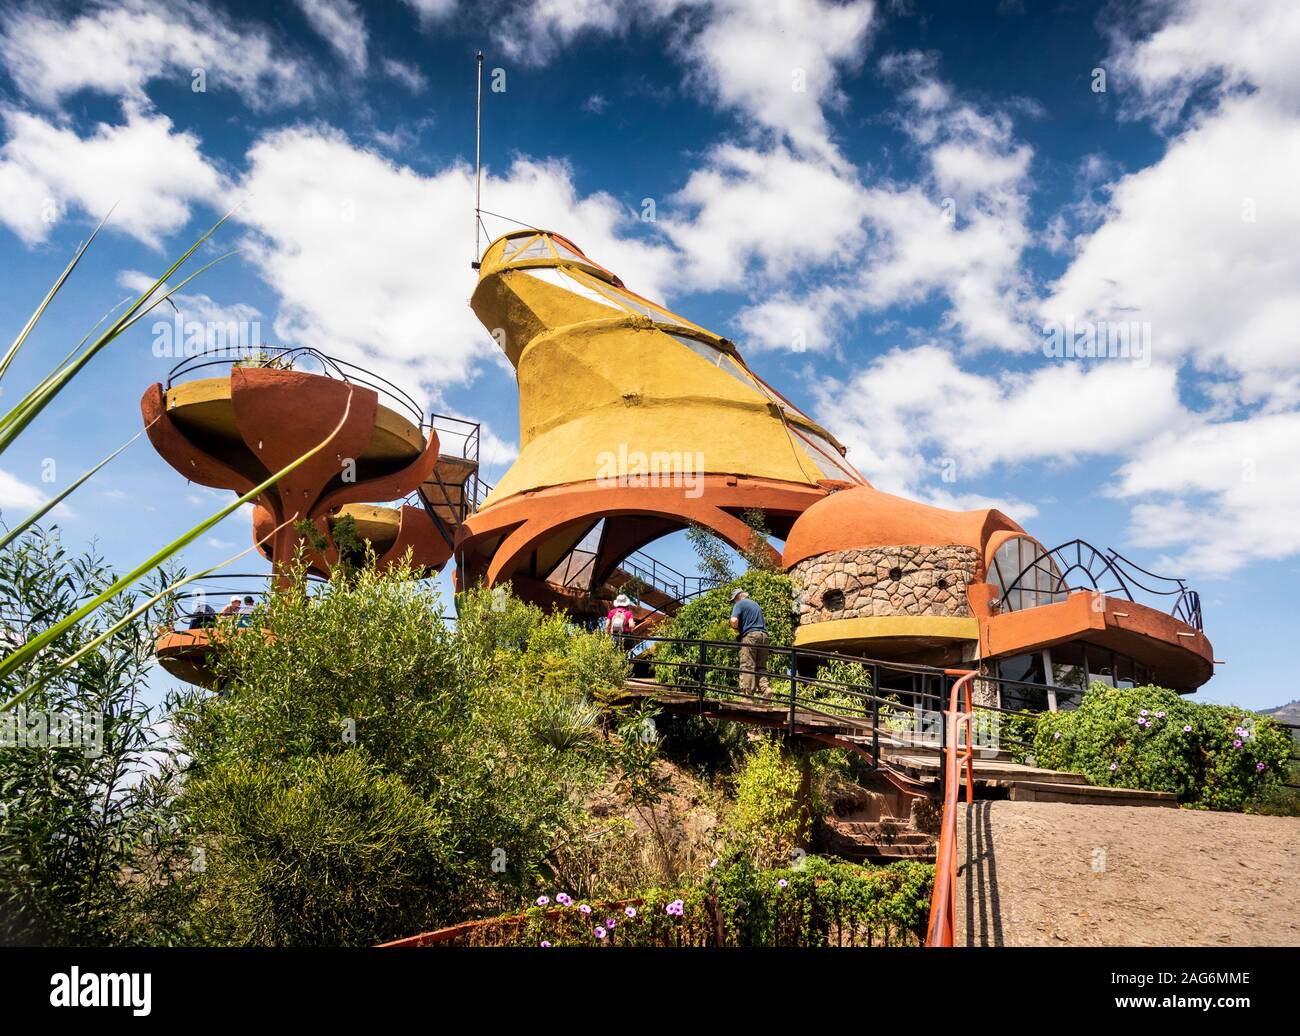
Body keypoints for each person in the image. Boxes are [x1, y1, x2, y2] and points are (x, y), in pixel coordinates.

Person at [729, 588, 770, 698]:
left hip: (751, 636)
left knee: (747, 665)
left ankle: (748, 696)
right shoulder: (755, 604)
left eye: (733, 600)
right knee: (761, 666)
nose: (734, 603)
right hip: (764, 636)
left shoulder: (739, 604)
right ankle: (765, 689)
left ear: (738, 597)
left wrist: (735, 627)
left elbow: (734, 621)